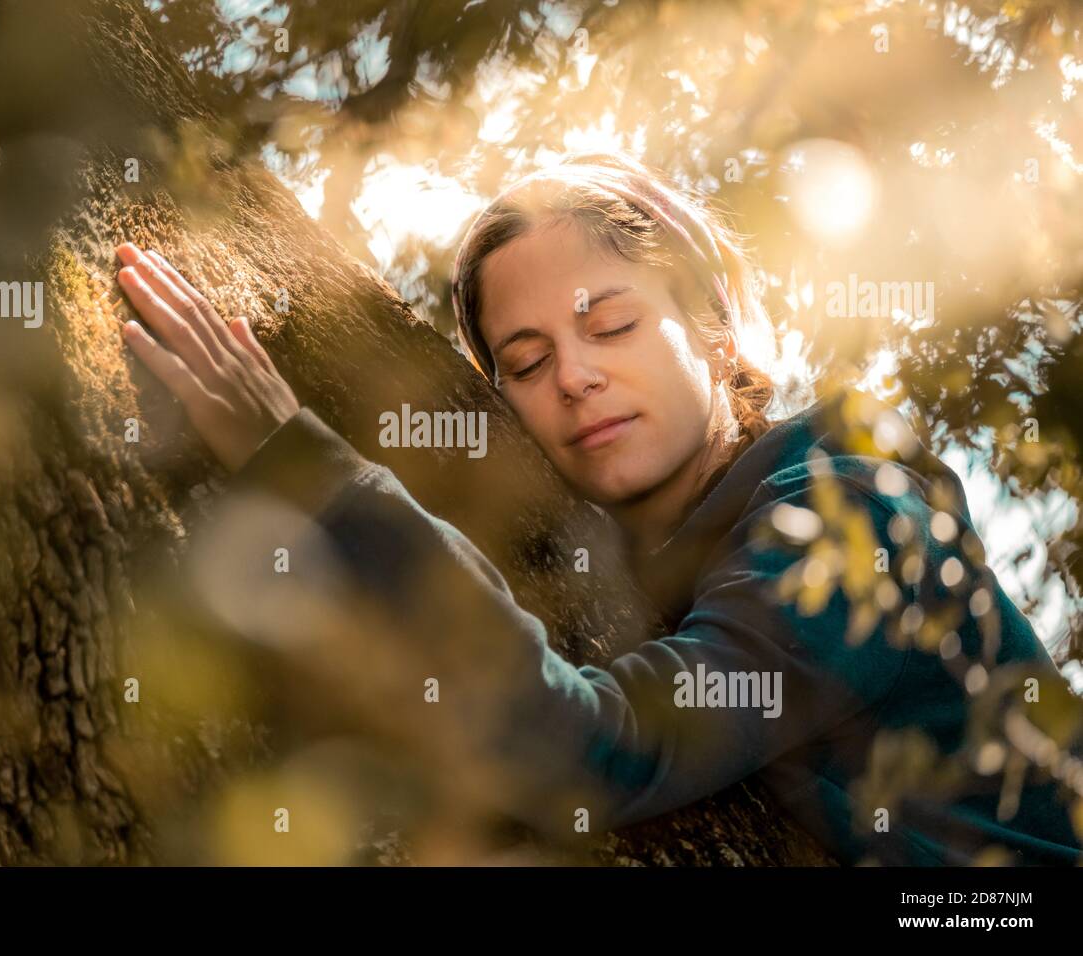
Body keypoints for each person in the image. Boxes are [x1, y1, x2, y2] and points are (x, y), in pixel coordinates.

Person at [112, 150, 1083, 866]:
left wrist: (306, 471)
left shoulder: (851, 521)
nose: (573, 376)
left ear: (710, 326)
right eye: (525, 363)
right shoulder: (645, 573)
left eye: (610, 322)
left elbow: (592, 748)